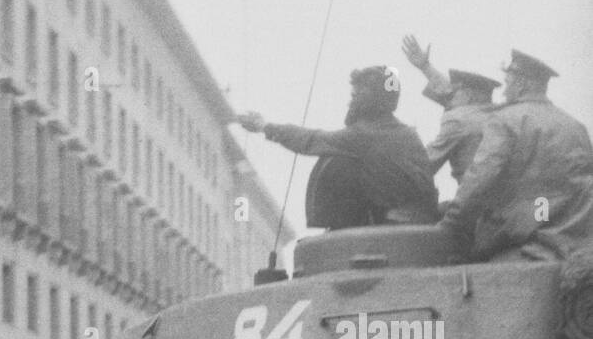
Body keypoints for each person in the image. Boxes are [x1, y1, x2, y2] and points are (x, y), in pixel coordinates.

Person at [235, 66, 438, 229]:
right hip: (421, 220)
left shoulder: (365, 135)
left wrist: (265, 126)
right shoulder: (406, 133)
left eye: (357, 94)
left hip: (397, 225)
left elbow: (311, 140)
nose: (351, 100)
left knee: (338, 161)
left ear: (373, 98)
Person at [440, 50, 593, 262]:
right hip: (572, 238)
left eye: (508, 82)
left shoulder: (506, 120)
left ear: (521, 84)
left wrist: (451, 223)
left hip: (520, 238)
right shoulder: (575, 127)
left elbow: (478, 181)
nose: (504, 92)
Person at [400, 35, 499, 185]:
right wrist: (426, 67)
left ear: (469, 96)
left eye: (456, 91)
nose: (450, 93)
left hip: (474, 199)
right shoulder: (498, 113)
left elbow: (424, 166)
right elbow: (448, 92)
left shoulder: (459, 120)